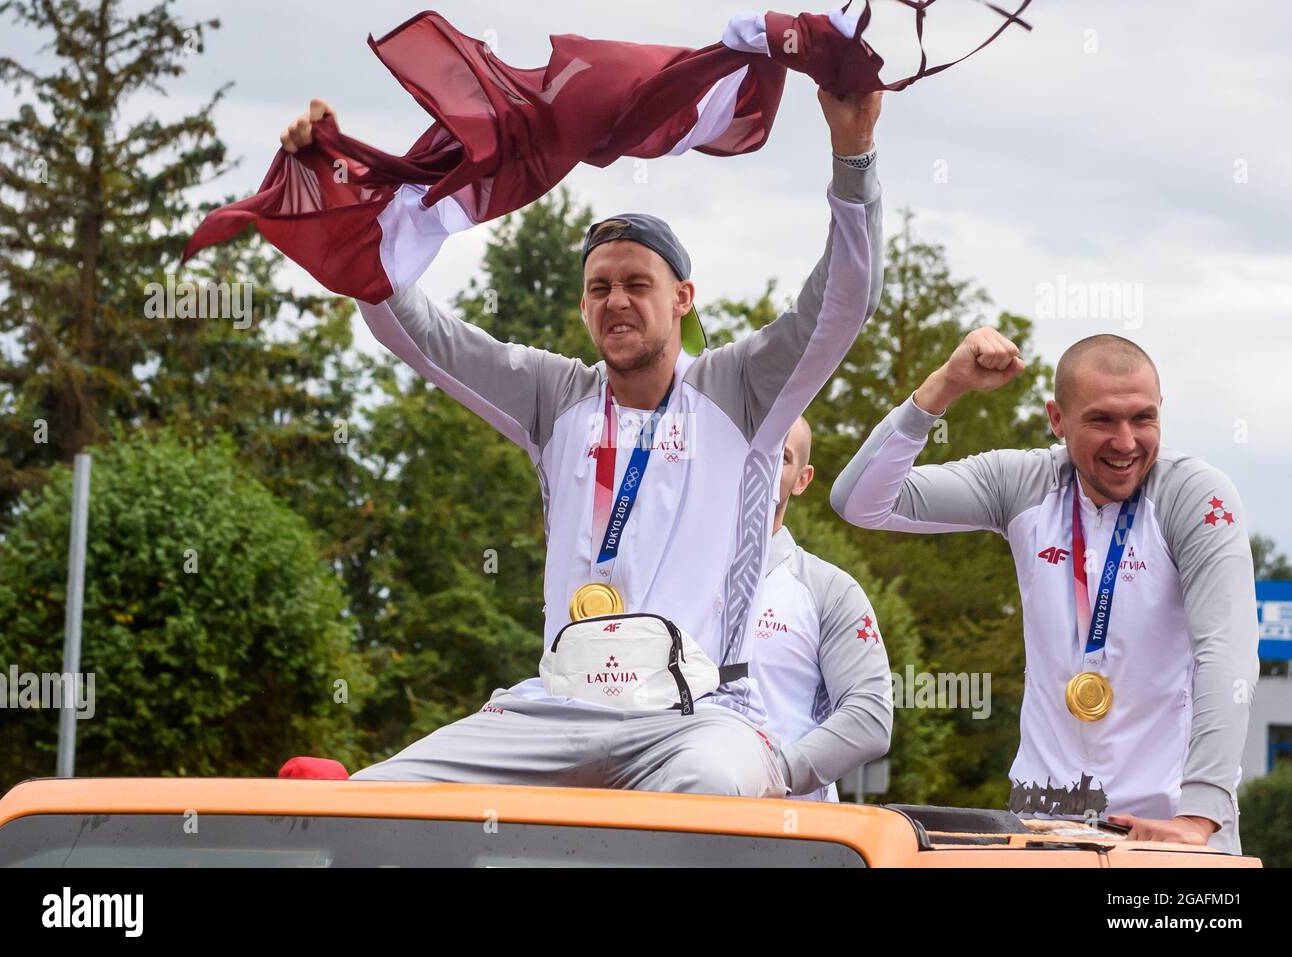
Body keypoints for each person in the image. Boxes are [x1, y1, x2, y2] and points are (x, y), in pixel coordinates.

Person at [279, 88, 886, 796]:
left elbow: (846, 295)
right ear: (582, 304)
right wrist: (345, 203)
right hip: (556, 710)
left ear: (682, 298)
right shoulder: (555, 395)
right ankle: (338, 797)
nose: (616, 301)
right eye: (599, 287)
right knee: (375, 799)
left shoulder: (740, 391)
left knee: (711, 796)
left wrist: (855, 150)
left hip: (695, 717)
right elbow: (420, 336)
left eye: (637, 283)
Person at [830, 327, 1258, 851]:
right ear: (1057, 419)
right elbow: (860, 502)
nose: (1126, 442)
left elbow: (1226, 653)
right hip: (1042, 825)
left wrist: (1200, 814)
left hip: (1171, 826)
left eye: (1143, 418)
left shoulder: (1195, 495)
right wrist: (944, 386)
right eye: (1101, 419)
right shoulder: (1021, 482)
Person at [750, 416, 893, 801]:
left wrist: (769, 777)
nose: (759, 463)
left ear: (801, 479)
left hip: (788, 831)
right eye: (750, 447)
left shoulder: (830, 590)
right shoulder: (668, 576)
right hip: (673, 817)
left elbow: (869, 718)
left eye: (779, 457)